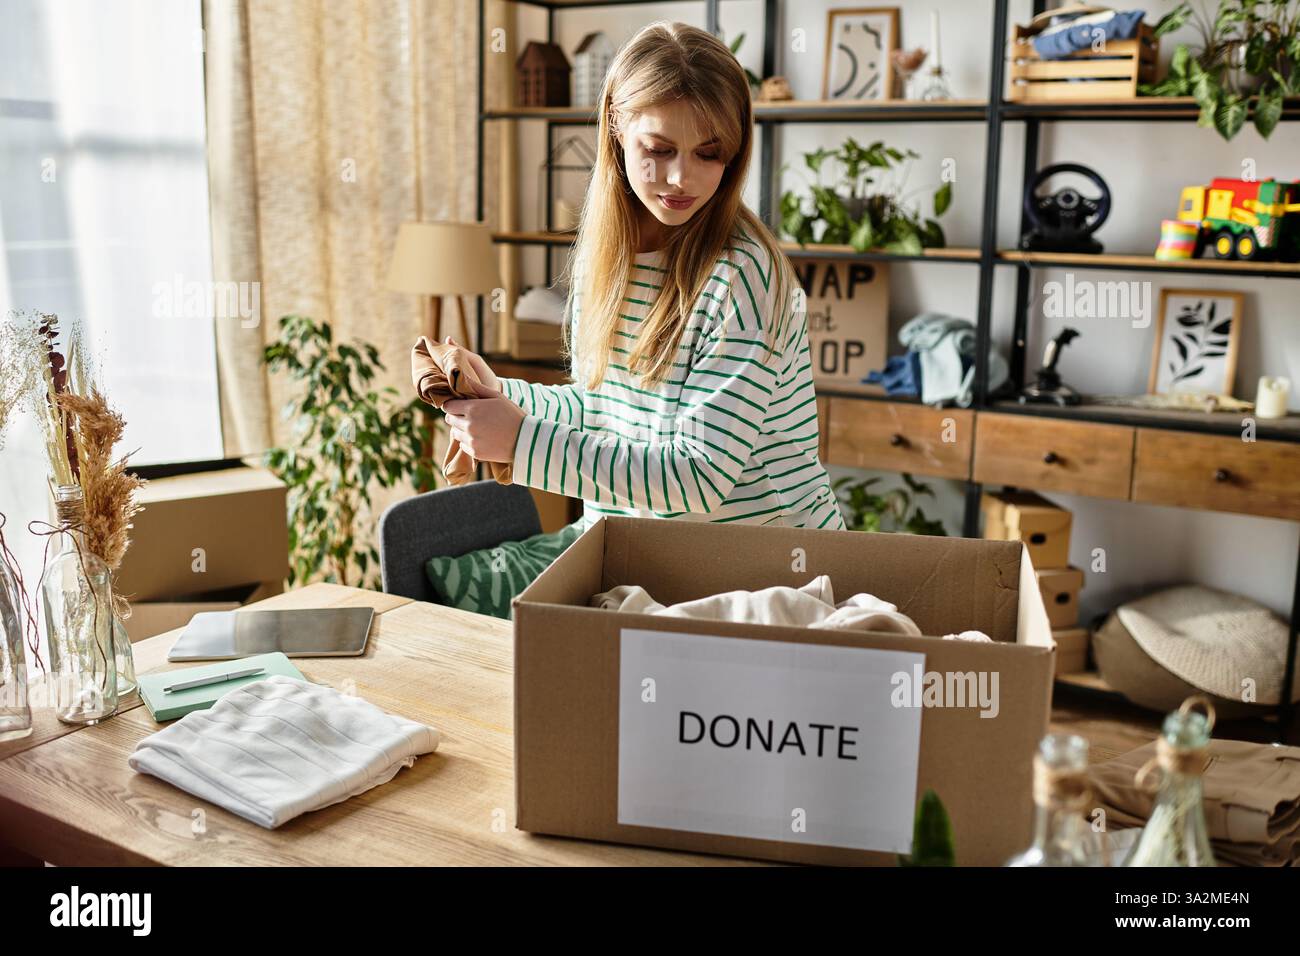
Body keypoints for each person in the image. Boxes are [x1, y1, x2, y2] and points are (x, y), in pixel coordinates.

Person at [440, 20, 846, 533]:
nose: (681, 178)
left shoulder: (744, 277)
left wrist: (521, 441)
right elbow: (606, 413)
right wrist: (499, 392)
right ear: (615, 126)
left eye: (709, 153)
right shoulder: (605, 257)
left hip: (764, 581)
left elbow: (699, 478)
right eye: (658, 149)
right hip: (648, 567)